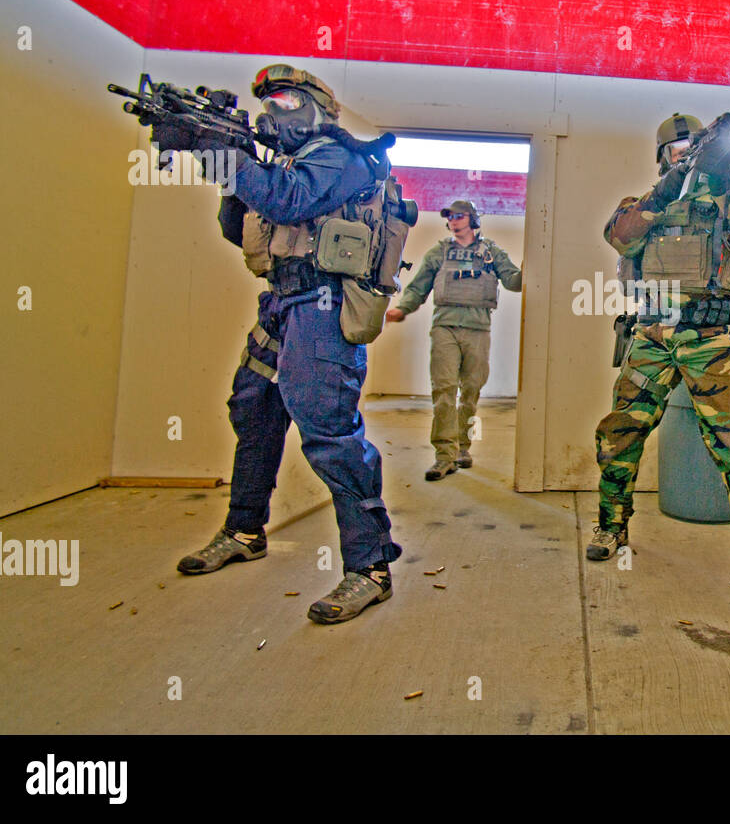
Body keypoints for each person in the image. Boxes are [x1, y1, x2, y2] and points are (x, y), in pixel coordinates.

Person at [171, 63, 403, 624]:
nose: (276, 113)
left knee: (329, 434)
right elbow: (241, 225)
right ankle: (245, 529)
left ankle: (369, 567)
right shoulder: (286, 163)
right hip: (282, 302)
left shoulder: (341, 157)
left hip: (325, 308)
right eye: (268, 104)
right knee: (253, 407)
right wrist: (221, 156)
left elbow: (288, 201)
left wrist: (223, 153)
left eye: (287, 102)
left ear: (318, 110)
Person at [591, 112, 730, 598]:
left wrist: (725, 179)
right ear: (662, 157)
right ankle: (611, 528)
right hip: (652, 335)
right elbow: (620, 235)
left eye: (694, 147)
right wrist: (670, 186)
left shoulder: (725, 198)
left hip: (709, 337)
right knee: (619, 435)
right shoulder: (643, 202)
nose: (686, 154)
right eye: (678, 149)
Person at [386, 200, 522, 480]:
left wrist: (534, 264)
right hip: (445, 326)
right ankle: (444, 456)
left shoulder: (491, 252)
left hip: (478, 328)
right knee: (444, 391)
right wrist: (403, 308)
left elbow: (513, 282)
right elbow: (418, 287)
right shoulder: (439, 252)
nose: (453, 220)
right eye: (449, 216)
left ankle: (464, 447)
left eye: (459, 216)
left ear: (473, 220)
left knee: (471, 392)